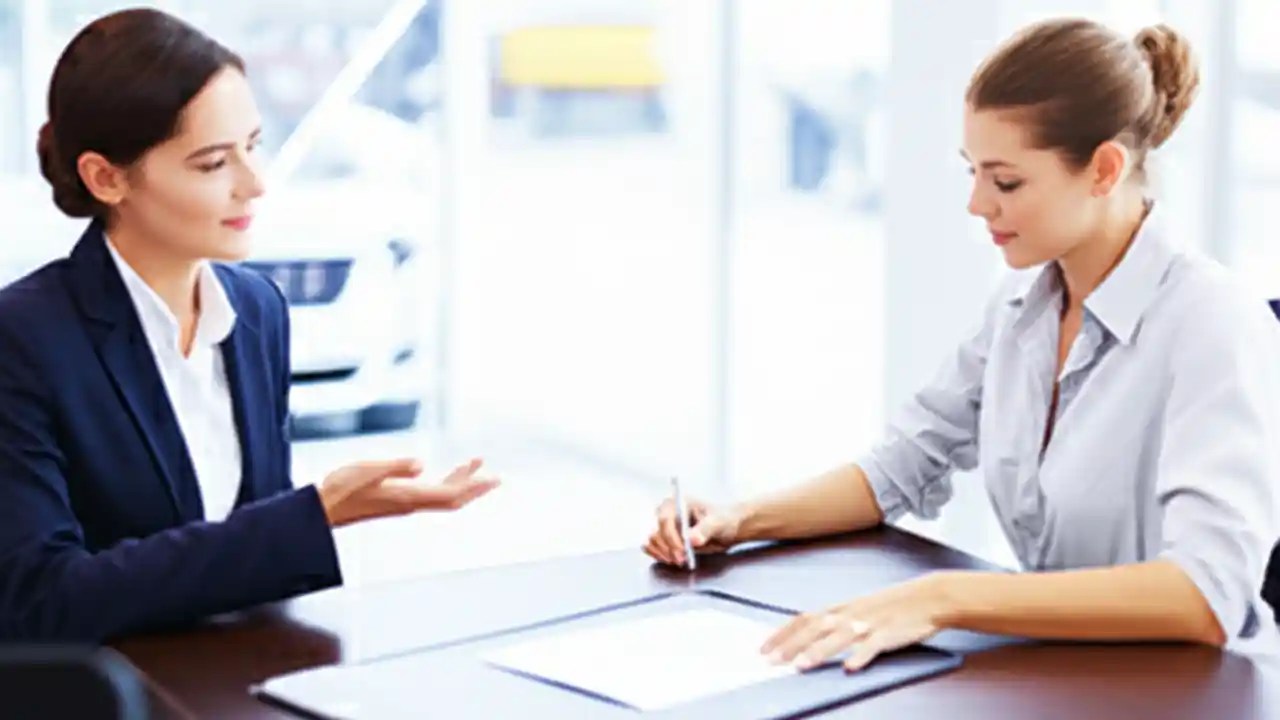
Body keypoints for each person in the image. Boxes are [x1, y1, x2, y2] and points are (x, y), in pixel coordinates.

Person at [645, 18, 1280, 668]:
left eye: (1005, 182)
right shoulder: (1020, 309)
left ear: (1104, 170)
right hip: (1067, 674)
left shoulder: (1213, 322)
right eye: (972, 173)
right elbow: (902, 464)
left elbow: (1208, 595)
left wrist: (945, 598)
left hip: (1197, 692)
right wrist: (737, 521)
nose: (978, 204)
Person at [0, 8, 499, 642]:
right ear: (107, 177)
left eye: (254, 146)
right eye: (213, 164)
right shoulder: (25, 338)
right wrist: (313, 516)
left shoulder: (256, 311)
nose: (255, 184)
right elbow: (40, 601)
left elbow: (252, 564)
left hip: (235, 683)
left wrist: (316, 521)